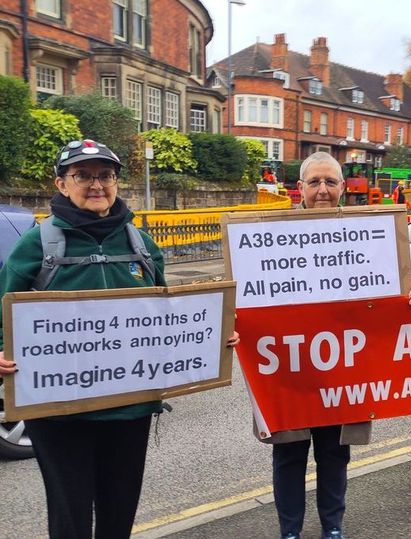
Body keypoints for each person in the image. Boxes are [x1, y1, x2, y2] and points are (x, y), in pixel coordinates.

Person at [0, 139, 239, 539]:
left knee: (119, 511)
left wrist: (212, 336)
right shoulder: (37, 244)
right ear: (61, 184)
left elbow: (171, 314)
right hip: (60, 413)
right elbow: (3, 310)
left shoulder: (140, 244)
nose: (97, 185)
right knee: (70, 515)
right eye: (83, 176)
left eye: (106, 175)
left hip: (130, 409)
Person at [264, 151, 411, 539]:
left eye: (331, 182)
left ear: (342, 188)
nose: (323, 190)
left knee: (334, 454)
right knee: (288, 454)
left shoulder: (365, 232)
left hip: (342, 369)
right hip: (289, 369)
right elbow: (244, 296)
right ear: (299, 189)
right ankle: (290, 531)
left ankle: (332, 528)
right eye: (315, 182)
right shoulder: (269, 234)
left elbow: (398, 280)